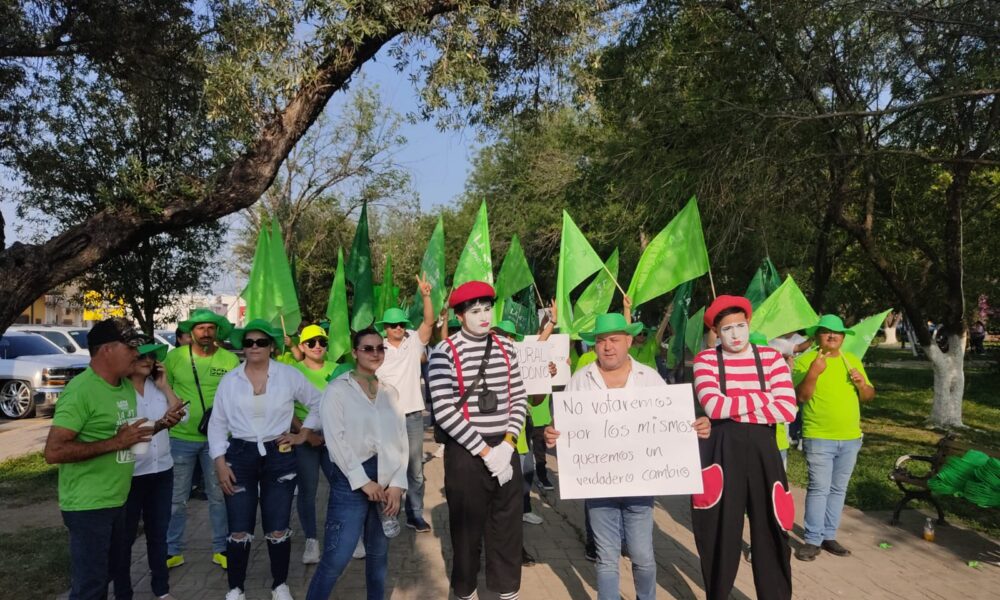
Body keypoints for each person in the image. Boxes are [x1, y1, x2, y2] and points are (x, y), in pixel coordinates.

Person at [544, 313, 711, 600]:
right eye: (601, 341)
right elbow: (564, 426)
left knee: (643, 557)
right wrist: (553, 435)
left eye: (614, 340)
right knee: (607, 559)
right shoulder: (581, 380)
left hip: (640, 486)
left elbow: (672, 420)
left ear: (628, 341)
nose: (608, 346)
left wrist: (696, 426)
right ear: (594, 345)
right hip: (598, 487)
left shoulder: (649, 377)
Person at [690, 296, 798, 600]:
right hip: (722, 451)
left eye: (740, 326)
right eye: (726, 329)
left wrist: (733, 405)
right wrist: (763, 396)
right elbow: (712, 404)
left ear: (748, 324)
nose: (735, 334)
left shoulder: (772, 358)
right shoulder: (706, 360)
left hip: (765, 450)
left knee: (772, 527)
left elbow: (787, 410)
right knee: (720, 530)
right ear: (716, 332)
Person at [428, 281, 528, 600]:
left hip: (504, 444)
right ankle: (466, 592)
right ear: (459, 315)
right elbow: (443, 408)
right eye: (475, 311)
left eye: (487, 309)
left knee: (507, 527)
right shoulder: (445, 351)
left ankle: (507, 591)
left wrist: (509, 444)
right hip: (467, 452)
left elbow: (518, 396)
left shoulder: (506, 347)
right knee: (467, 532)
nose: (484, 316)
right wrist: (485, 451)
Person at [209, 319, 323, 600]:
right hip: (239, 454)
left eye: (261, 342)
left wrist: (303, 434)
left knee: (277, 524)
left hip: (279, 454)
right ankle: (235, 588)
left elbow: (319, 401)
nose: (255, 347)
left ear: (271, 346)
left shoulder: (288, 375)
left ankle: (279, 585)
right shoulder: (230, 380)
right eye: (249, 342)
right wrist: (219, 462)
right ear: (243, 348)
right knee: (238, 526)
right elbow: (217, 423)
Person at [42, 319, 152, 600]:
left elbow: (119, 436)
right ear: (106, 350)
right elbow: (53, 452)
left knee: (109, 578)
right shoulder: (81, 391)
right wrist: (117, 442)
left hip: (118, 499)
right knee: (90, 587)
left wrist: (133, 437)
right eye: (130, 347)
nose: (136, 354)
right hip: (88, 506)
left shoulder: (124, 386)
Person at [306, 328, 408, 600]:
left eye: (379, 348)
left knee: (378, 558)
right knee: (336, 558)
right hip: (351, 482)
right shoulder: (338, 391)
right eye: (368, 348)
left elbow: (401, 439)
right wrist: (363, 481)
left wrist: (398, 484)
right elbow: (335, 440)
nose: (375, 353)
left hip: (386, 482)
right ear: (354, 352)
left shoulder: (391, 393)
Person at [792, 314, 875, 562]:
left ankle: (829, 535)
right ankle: (812, 540)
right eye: (827, 331)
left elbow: (869, 396)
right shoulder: (805, 361)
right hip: (819, 436)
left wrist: (862, 385)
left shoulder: (852, 361)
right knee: (819, 488)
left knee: (838, 489)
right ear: (818, 335)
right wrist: (814, 373)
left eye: (837, 332)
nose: (832, 336)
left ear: (843, 337)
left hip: (850, 437)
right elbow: (801, 397)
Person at [164, 308, 241, 569]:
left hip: (218, 441)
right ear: (191, 332)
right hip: (180, 438)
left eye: (211, 328)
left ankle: (222, 548)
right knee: (176, 497)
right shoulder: (174, 358)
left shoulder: (230, 360)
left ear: (217, 331)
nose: (206, 333)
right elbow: (166, 390)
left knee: (219, 495)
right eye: (200, 328)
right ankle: (171, 550)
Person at [120, 343, 187, 600]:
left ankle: (161, 589)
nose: (148, 360)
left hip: (161, 470)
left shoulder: (156, 388)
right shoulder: (120, 390)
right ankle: (124, 591)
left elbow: (183, 412)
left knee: (158, 534)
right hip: (131, 473)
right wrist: (158, 425)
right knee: (125, 538)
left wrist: (165, 386)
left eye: (152, 357)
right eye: (142, 356)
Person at [375, 273, 436, 533]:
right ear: (385, 328)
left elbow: (429, 323)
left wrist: (426, 296)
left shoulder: (413, 342)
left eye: (401, 324)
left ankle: (415, 514)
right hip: (384, 416)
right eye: (392, 325)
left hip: (411, 416)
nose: (398, 328)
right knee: (386, 468)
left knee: (415, 470)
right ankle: (389, 514)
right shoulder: (376, 349)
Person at [279, 324, 339, 564]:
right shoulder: (292, 371)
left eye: (322, 342)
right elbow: (287, 406)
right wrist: (305, 432)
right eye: (311, 342)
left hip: (335, 438)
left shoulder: (337, 370)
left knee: (342, 487)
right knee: (308, 491)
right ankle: (311, 540)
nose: (317, 347)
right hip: (304, 438)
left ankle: (346, 534)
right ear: (301, 346)